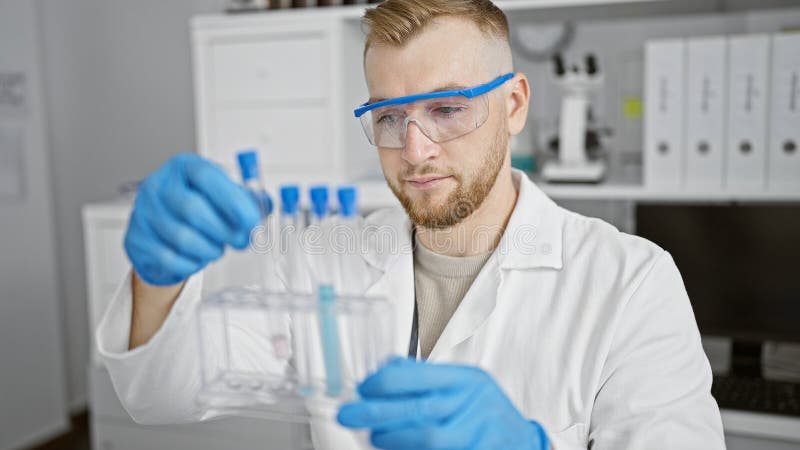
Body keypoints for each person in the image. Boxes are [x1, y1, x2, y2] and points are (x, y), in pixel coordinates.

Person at [97, 0, 726, 448]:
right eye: (389, 118)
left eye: (447, 108)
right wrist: (158, 279)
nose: (415, 149)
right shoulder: (325, 257)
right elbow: (163, 396)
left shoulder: (630, 282)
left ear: (513, 106)